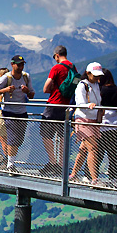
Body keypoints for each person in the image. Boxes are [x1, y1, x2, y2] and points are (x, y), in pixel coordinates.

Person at [0, 55, 34, 172]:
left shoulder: (26, 77)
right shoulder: (6, 78)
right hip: (8, 112)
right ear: (12, 64)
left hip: (22, 112)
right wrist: (5, 90)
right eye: (18, 64)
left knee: (19, 140)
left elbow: (32, 95)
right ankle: (10, 164)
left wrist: (27, 91)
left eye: (22, 64)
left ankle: (10, 161)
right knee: (12, 139)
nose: (20, 67)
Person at [40, 45, 77, 176]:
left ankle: (53, 162)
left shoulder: (56, 68)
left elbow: (45, 89)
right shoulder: (73, 67)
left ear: (57, 55)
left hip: (54, 103)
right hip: (66, 106)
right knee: (62, 135)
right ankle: (61, 165)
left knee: (45, 133)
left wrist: (52, 89)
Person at [69, 63, 105, 184]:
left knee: (84, 149)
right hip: (83, 119)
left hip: (93, 119)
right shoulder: (81, 85)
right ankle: (94, 178)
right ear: (88, 73)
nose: (97, 78)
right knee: (93, 148)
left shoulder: (95, 85)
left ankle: (73, 174)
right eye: (95, 75)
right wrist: (89, 106)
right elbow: (79, 104)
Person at [95, 72, 117, 185]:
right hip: (116, 125)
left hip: (102, 125)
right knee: (116, 153)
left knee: (98, 152)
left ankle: (91, 175)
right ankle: (115, 178)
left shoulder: (100, 90)